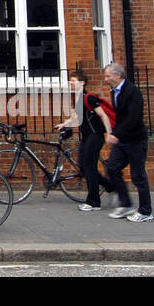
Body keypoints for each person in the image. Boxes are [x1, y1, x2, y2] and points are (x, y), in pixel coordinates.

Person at [55, 72, 114, 211]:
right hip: (87, 137)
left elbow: (103, 116)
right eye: (70, 81)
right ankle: (110, 186)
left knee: (90, 168)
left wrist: (109, 134)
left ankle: (93, 201)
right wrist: (64, 124)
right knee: (83, 167)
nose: (71, 83)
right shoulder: (78, 98)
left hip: (95, 136)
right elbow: (76, 117)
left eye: (74, 81)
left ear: (82, 83)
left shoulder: (89, 98)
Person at [102, 62, 152, 221]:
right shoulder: (115, 91)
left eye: (108, 76)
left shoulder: (132, 91)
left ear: (118, 75)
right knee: (112, 168)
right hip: (123, 140)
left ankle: (145, 212)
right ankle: (125, 205)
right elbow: (120, 117)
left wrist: (116, 135)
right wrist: (115, 133)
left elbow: (133, 118)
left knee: (138, 176)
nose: (106, 79)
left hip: (136, 140)